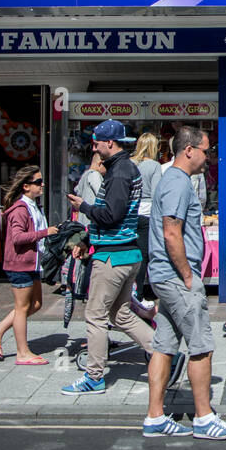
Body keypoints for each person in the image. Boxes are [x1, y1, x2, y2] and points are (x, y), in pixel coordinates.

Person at [143, 125, 226, 439]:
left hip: (164, 275)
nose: (208, 156)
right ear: (189, 150)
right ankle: (204, 417)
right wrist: (188, 275)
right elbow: (172, 230)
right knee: (202, 347)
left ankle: (155, 417)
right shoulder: (178, 182)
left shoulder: (175, 180)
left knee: (164, 346)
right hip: (175, 277)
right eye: (205, 150)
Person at [60, 119, 153, 394]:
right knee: (121, 314)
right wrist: (87, 238)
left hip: (112, 257)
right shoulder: (122, 169)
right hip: (125, 253)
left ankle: (94, 377)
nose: (94, 146)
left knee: (95, 316)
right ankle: (163, 353)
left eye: (97, 141)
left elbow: (111, 216)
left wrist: (84, 206)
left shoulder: (119, 173)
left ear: (109, 143)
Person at [0, 165, 59, 364]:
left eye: (42, 181)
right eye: (38, 182)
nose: (42, 185)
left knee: (35, 304)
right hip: (19, 264)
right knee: (22, 307)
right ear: (26, 186)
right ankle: (22, 352)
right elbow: (17, 238)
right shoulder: (20, 209)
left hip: (32, 263)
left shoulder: (33, 206)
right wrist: (45, 232)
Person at [131, 131, 163, 302]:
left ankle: (129, 289)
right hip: (147, 212)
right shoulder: (154, 166)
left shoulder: (129, 163)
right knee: (144, 255)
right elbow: (157, 192)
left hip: (130, 211)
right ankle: (140, 293)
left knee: (131, 252)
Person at [72, 152, 105, 220]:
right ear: (100, 163)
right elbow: (103, 198)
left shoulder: (84, 176)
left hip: (83, 221)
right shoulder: (95, 175)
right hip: (91, 221)